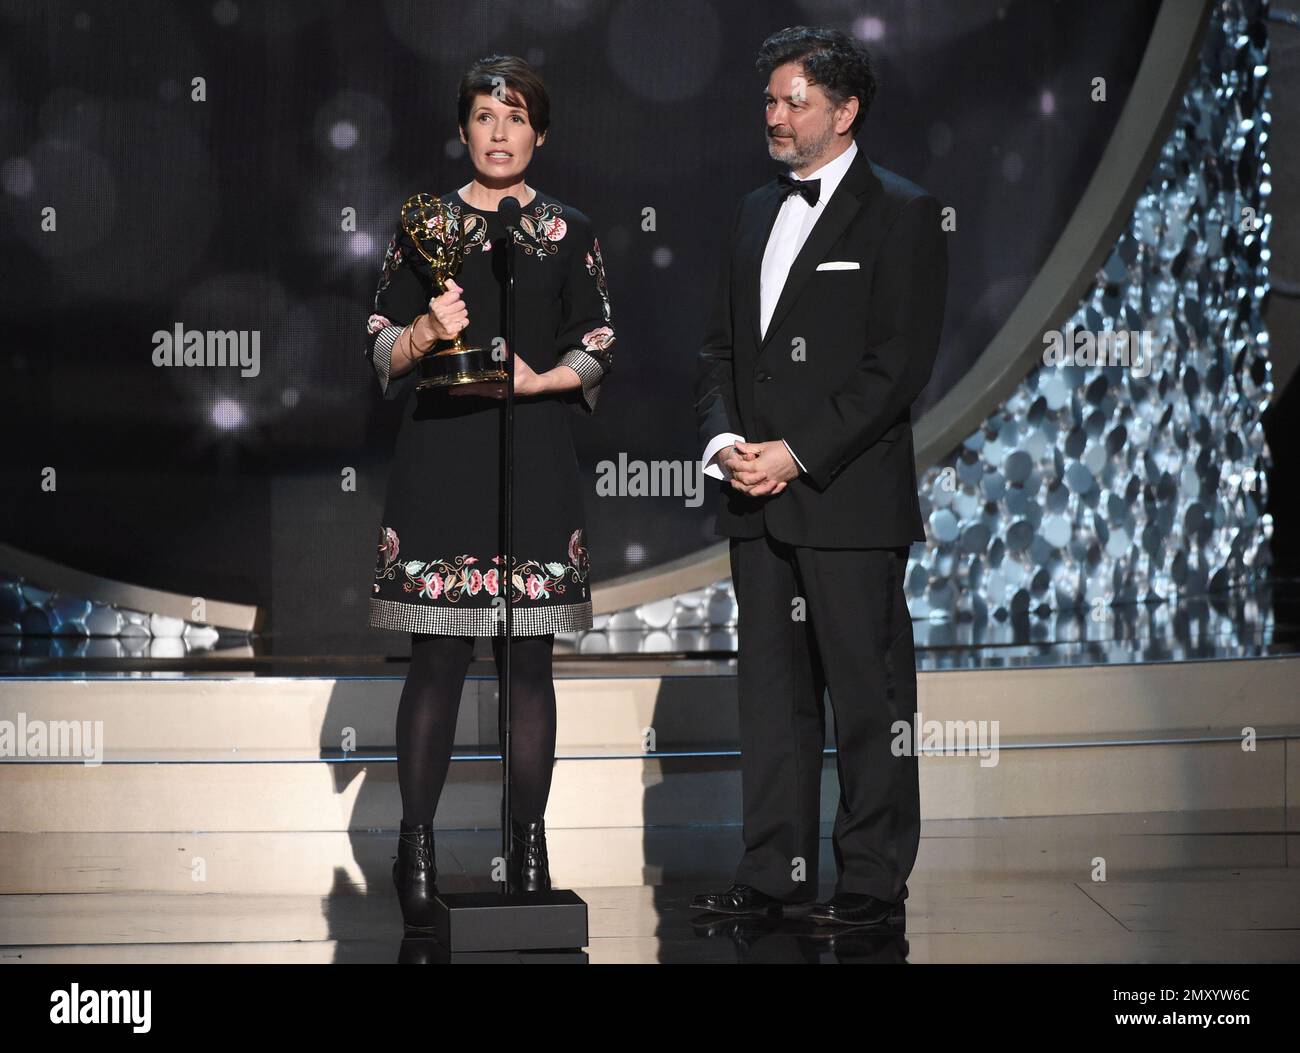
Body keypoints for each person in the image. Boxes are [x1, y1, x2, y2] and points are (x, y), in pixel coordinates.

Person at [692, 25, 947, 928]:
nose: (776, 114)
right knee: (772, 700)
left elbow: (895, 369)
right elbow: (721, 350)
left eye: (795, 100)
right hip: (752, 498)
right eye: (769, 99)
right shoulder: (752, 211)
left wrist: (794, 454)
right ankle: (775, 874)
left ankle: (873, 882)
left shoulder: (903, 212)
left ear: (846, 111)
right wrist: (727, 443)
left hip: (847, 499)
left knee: (868, 702)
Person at [363, 55, 615, 928]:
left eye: (515, 117)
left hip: (534, 459)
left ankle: (530, 841)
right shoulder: (423, 223)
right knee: (437, 659)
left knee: (529, 664)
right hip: (442, 457)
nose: (498, 132)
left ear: (538, 132)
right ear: (462, 129)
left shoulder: (568, 228)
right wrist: (428, 329)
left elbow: (600, 341)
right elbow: (380, 345)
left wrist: (538, 382)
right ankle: (417, 846)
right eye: (482, 116)